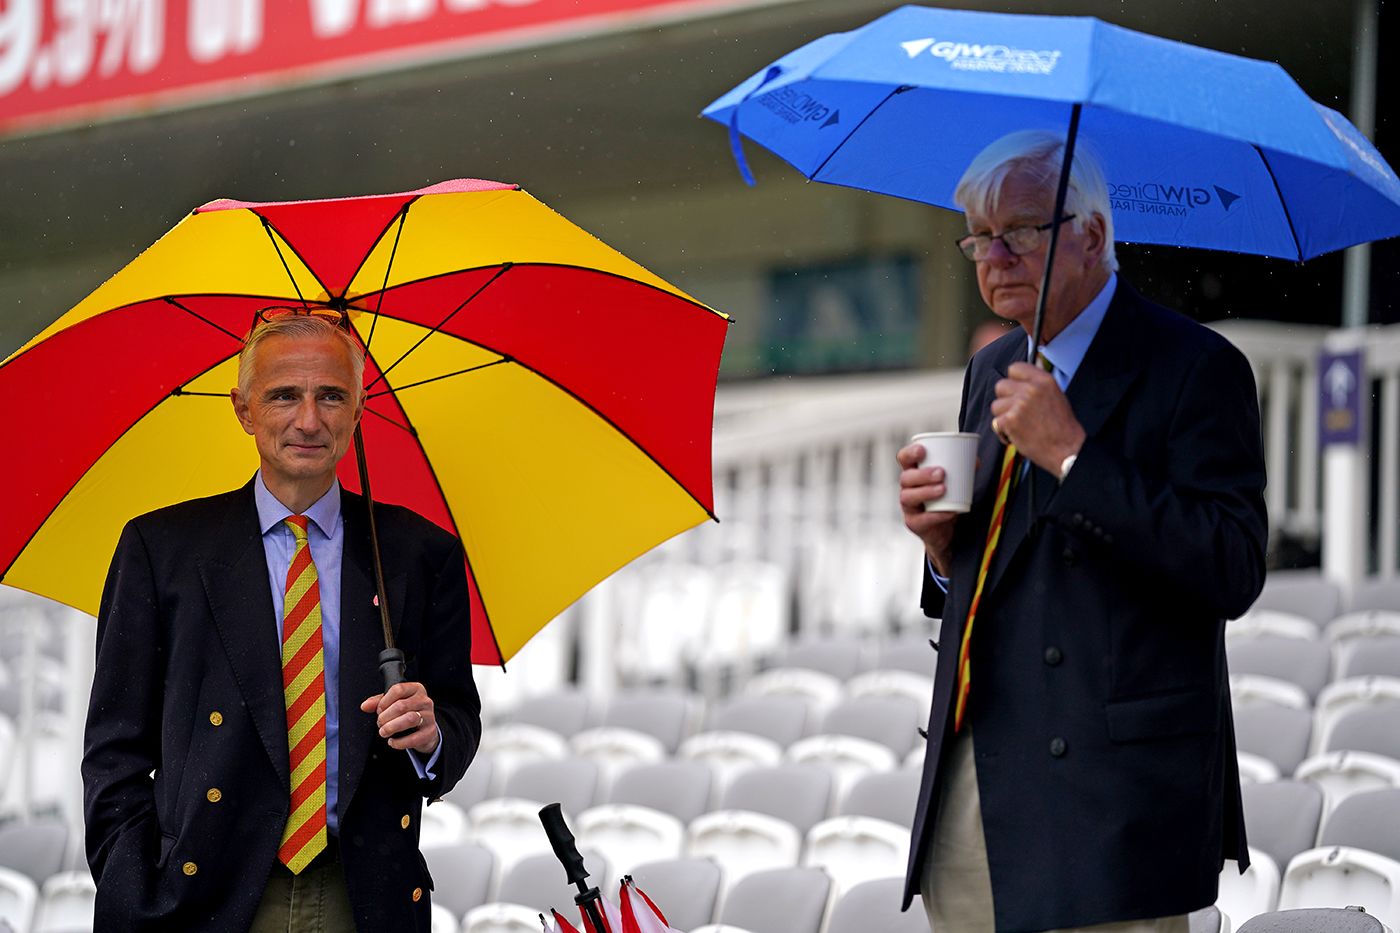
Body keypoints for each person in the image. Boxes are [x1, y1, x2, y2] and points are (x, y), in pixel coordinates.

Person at [896, 131, 1267, 933]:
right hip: (978, 773)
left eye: (1018, 231)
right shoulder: (990, 371)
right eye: (977, 237)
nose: (993, 255)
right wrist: (939, 549)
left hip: (1113, 799)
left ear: (1092, 235)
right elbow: (1003, 570)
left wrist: (1071, 453)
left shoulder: (1196, 367)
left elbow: (1231, 566)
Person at [82, 311, 481, 932]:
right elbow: (114, 752)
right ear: (243, 410)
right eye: (283, 396)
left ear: (359, 408)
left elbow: (458, 725)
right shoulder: (160, 550)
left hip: (364, 897)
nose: (309, 421)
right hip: (200, 898)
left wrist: (431, 739)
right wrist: (131, 887)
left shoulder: (419, 554)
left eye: (330, 396)